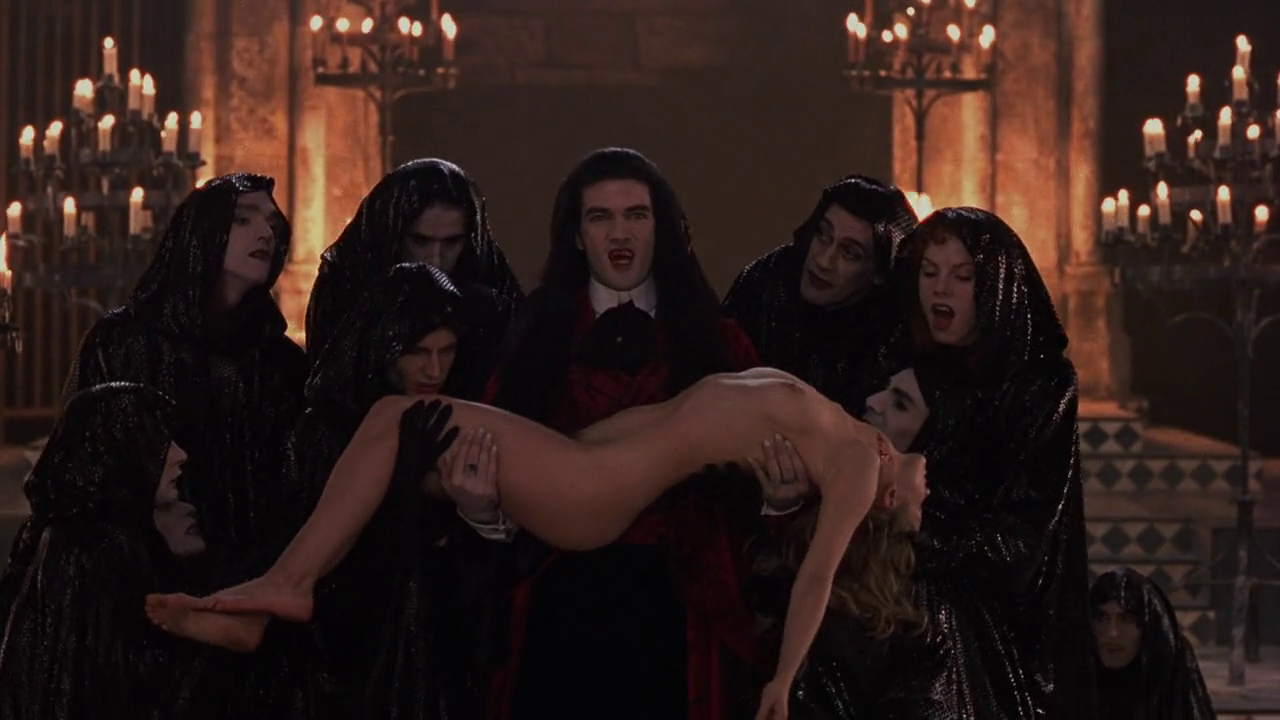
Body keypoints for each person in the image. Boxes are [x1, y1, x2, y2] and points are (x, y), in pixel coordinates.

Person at [145, 368, 929, 719]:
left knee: (392, 420)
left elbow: (817, 576)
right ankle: (275, 600)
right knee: (388, 452)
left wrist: (782, 683)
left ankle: (287, 589)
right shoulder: (844, 433)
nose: (932, 478)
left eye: (925, 496)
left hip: (589, 489)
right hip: (581, 466)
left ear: (891, 498)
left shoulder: (860, 466)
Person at [483, 147, 764, 719]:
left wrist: (774, 495)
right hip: (561, 603)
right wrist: (482, 509)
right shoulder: (534, 340)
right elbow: (496, 453)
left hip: (683, 605)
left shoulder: (718, 343)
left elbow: (758, 483)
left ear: (662, 227)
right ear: (576, 234)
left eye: (636, 214)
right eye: (600, 217)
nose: (620, 232)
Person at [882, 207, 1095, 718]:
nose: (941, 289)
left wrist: (923, 538)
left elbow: (1022, 535)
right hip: (898, 590)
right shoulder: (911, 365)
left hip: (997, 613)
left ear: (995, 286)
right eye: (929, 272)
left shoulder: (1041, 384)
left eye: (962, 276)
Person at [286, 261, 503, 717]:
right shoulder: (327, 431)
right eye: (418, 352)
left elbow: (477, 584)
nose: (435, 369)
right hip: (354, 667)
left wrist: (477, 518)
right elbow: (340, 580)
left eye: (447, 350)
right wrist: (404, 482)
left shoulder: (460, 415)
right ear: (383, 346)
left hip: (442, 660)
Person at [64, 173, 307, 570]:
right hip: (139, 567)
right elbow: (89, 466)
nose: (265, 233)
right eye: (243, 219)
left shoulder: (280, 361)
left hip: (252, 571)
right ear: (201, 233)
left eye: (272, 224)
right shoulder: (122, 341)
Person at [0, 383, 200, 718]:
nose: (180, 456)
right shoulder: (102, 547)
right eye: (160, 442)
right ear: (119, 449)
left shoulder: (76, 535)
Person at [723, 174, 918, 412]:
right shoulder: (769, 277)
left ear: (879, 272)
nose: (824, 261)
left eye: (849, 253)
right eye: (823, 235)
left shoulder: (894, 338)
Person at [304, 158, 523, 364]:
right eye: (420, 241)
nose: (435, 258)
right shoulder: (347, 288)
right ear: (392, 235)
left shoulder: (494, 299)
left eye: (452, 242)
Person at [1090, 567, 1215, 720]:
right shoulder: (1076, 684)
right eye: (1102, 618)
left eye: (1127, 619)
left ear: (1148, 628)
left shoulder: (1170, 668)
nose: (1112, 633)